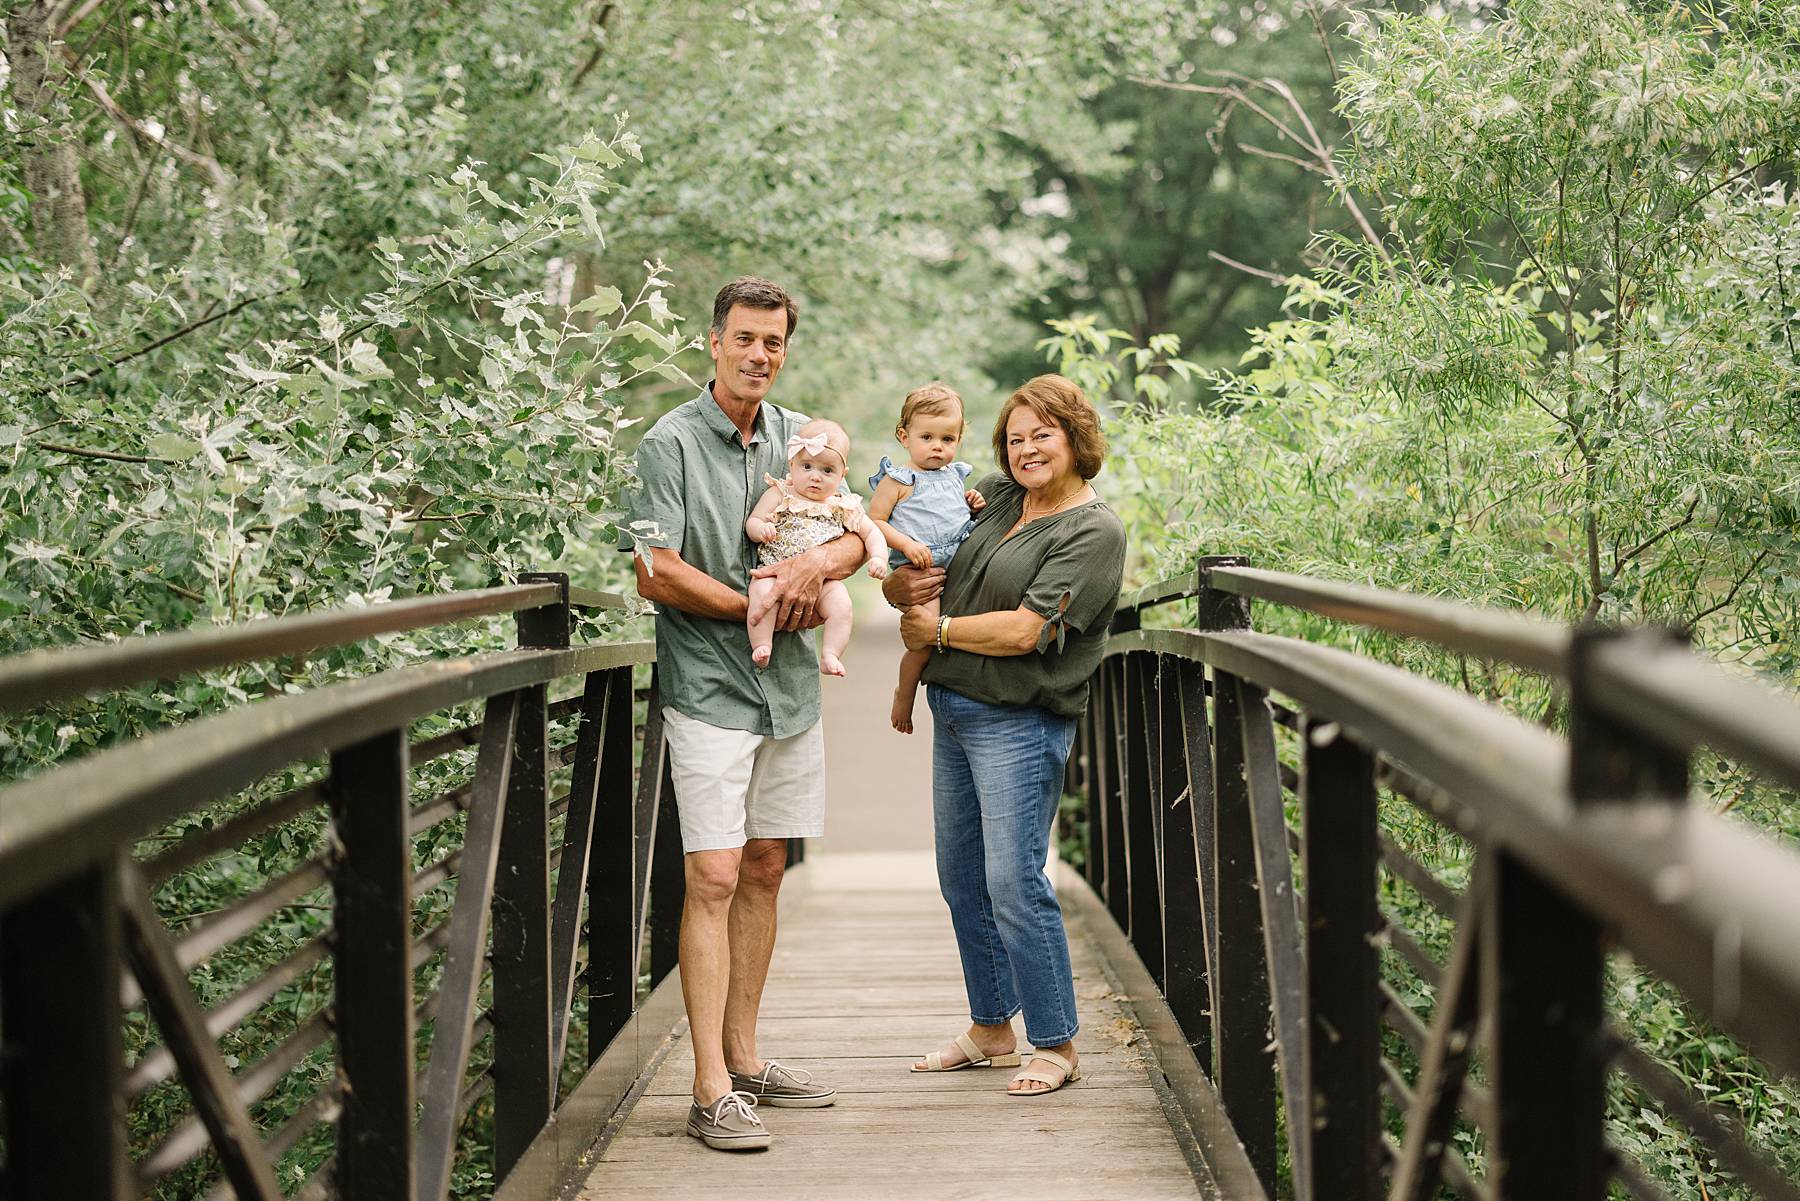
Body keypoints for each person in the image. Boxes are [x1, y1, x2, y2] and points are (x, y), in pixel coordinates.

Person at [624, 277, 863, 1151]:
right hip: (712, 687)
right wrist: (752, 603)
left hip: (791, 688)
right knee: (714, 876)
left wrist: (814, 569)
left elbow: (855, 525)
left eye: (774, 342)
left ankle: (747, 1057)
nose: (760, 354)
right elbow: (654, 569)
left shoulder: (807, 438)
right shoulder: (668, 441)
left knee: (765, 866)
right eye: (746, 338)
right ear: (713, 341)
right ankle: (708, 1088)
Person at [883, 374, 1126, 1097]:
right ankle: (991, 1027)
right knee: (961, 877)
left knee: (1012, 878)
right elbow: (927, 563)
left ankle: (1057, 1041)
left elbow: (1027, 629)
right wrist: (902, 589)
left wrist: (943, 629)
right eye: (1015, 438)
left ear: (1076, 437)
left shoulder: (1094, 529)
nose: (1026, 449)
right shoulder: (997, 498)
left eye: (1042, 434)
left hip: (1020, 719)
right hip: (955, 707)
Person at [865, 383, 985, 733]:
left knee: (960, 631)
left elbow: (950, 512)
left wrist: (971, 502)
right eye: (927, 437)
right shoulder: (899, 479)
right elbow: (874, 521)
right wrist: (905, 544)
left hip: (955, 564)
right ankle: (905, 695)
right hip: (921, 569)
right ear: (905, 436)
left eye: (947, 440)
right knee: (924, 638)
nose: (937, 447)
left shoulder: (954, 475)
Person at [745, 417, 889, 674]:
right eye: (807, 466)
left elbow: (872, 533)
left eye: (827, 471)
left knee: (842, 605)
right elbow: (753, 521)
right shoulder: (781, 493)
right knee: (761, 594)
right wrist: (760, 530)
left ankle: (831, 653)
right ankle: (762, 644)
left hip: (823, 581)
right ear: (792, 465)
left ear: (842, 475)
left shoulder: (842, 505)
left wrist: (879, 557)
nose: (815, 477)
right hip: (774, 570)